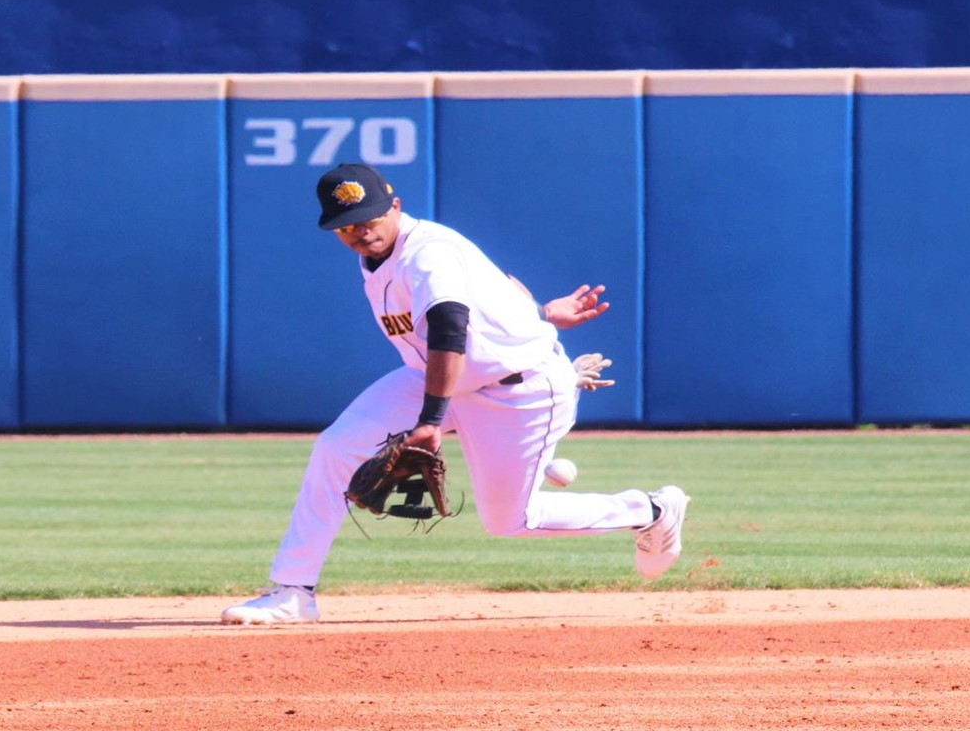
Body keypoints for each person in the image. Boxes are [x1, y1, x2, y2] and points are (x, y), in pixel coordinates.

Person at [221, 162, 689, 625]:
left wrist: (430, 422)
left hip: (516, 390)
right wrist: (541, 314)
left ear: (396, 206)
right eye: (347, 226)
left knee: (509, 520)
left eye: (370, 219)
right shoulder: (377, 257)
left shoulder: (427, 253)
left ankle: (649, 509)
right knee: (336, 448)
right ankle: (293, 591)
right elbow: (496, 288)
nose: (361, 232)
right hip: (439, 377)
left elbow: (450, 328)